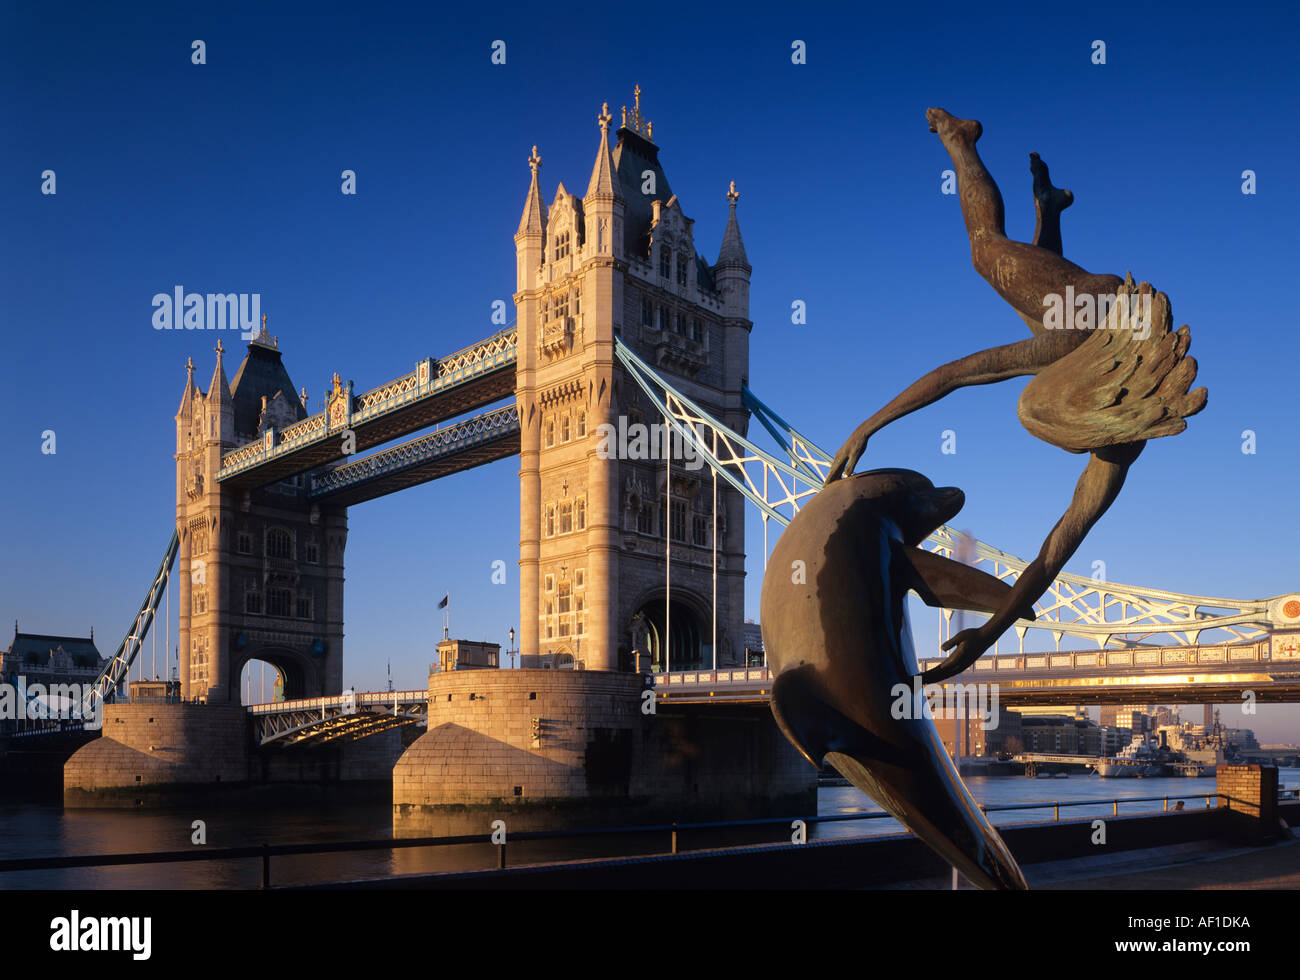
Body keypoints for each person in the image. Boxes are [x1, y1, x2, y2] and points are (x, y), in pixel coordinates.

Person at [829, 109, 1207, 683]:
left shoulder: (1117, 450)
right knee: (987, 252)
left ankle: (1050, 209)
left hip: (1098, 325)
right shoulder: (1080, 338)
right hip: (1101, 307)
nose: (1070, 451)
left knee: (1033, 300)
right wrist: (868, 427)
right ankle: (962, 140)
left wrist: (989, 633)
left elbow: (1053, 552)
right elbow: (955, 373)